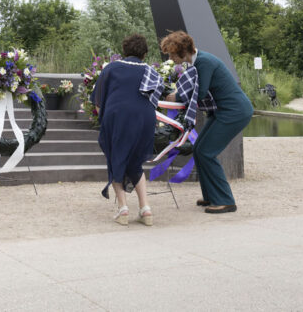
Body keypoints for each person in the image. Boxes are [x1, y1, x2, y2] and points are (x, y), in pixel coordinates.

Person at [160, 31, 253, 214]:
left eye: (171, 54)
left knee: (207, 152)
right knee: (199, 149)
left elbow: (199, 93)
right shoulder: (197, 61)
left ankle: (225, 201)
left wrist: (173, 96)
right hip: (221, 111)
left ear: (183, 51)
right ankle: (211, 195)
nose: (170, 58)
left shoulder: (204, 62)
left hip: (234, 112)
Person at [91, 33, 162, 226]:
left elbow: (98, 101)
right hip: (145, 118)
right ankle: (145, 209)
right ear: (145, 53)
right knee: (135, 162)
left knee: (116, 159)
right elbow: (157, 98)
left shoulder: (112, 68)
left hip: (118, 116)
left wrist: (105, 121)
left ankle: (123, 210)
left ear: (124, 50)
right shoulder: (151, 71)